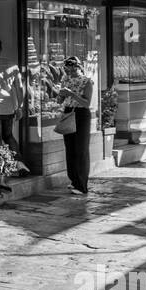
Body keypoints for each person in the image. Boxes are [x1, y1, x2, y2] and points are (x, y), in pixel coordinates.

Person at [51, 56, 94, 195]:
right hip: (68, 111)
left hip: (81, 114)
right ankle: (74, 180)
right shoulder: (65, 79)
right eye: (67, 69)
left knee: (81, 150)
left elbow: (87, 103)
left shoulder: (87, 81)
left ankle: (82, 185)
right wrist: (60, 94)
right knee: (70, 148)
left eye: (71, 68)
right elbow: (59, 100)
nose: (69, 71)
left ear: (78, 67)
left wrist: (72, 94)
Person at [0, 38, 24, 151]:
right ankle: (17, 162)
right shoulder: (12, 65)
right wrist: (19, 107)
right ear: (0, 49)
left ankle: (3, 166)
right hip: (8, 108)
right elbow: (19, 89)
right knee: (8, 137)